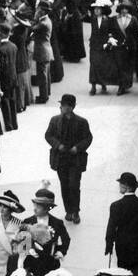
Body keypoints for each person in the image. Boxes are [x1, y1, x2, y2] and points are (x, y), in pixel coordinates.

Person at [44, 93, 92, 224]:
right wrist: (57, 145)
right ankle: (68, 211)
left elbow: (88, 138)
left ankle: (76, 211)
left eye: (66, 106)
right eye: (62, 105)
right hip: (61, 159)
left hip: (75, 159)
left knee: (74, 185)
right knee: (64, 186)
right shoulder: (55, 120)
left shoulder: (82, 122)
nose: (63, 108)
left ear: (72, 107)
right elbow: (48, 135)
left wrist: (78, 147)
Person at [20, 184, 71, 260]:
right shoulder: (28, 221)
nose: (35, 209)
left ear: (47, 208)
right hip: (31, 261)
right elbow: (21, 238)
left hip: (50, 261)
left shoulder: (57, 223)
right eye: (34, 206)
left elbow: (66, 239)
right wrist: (27, 249)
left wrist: (61, 251)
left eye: (38, 207)